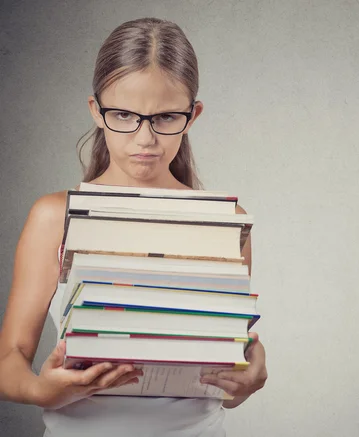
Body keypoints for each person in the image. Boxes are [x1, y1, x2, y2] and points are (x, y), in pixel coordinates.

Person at [0, 17, 267, 437]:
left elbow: (227, 377)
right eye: (123, 115)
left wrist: (247, 381)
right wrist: (41, 390)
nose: (144, 138)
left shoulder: (227, 224)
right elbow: (9, 363)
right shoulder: (54, 216)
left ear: (192, 115)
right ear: (96, 111)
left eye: (164, 118)